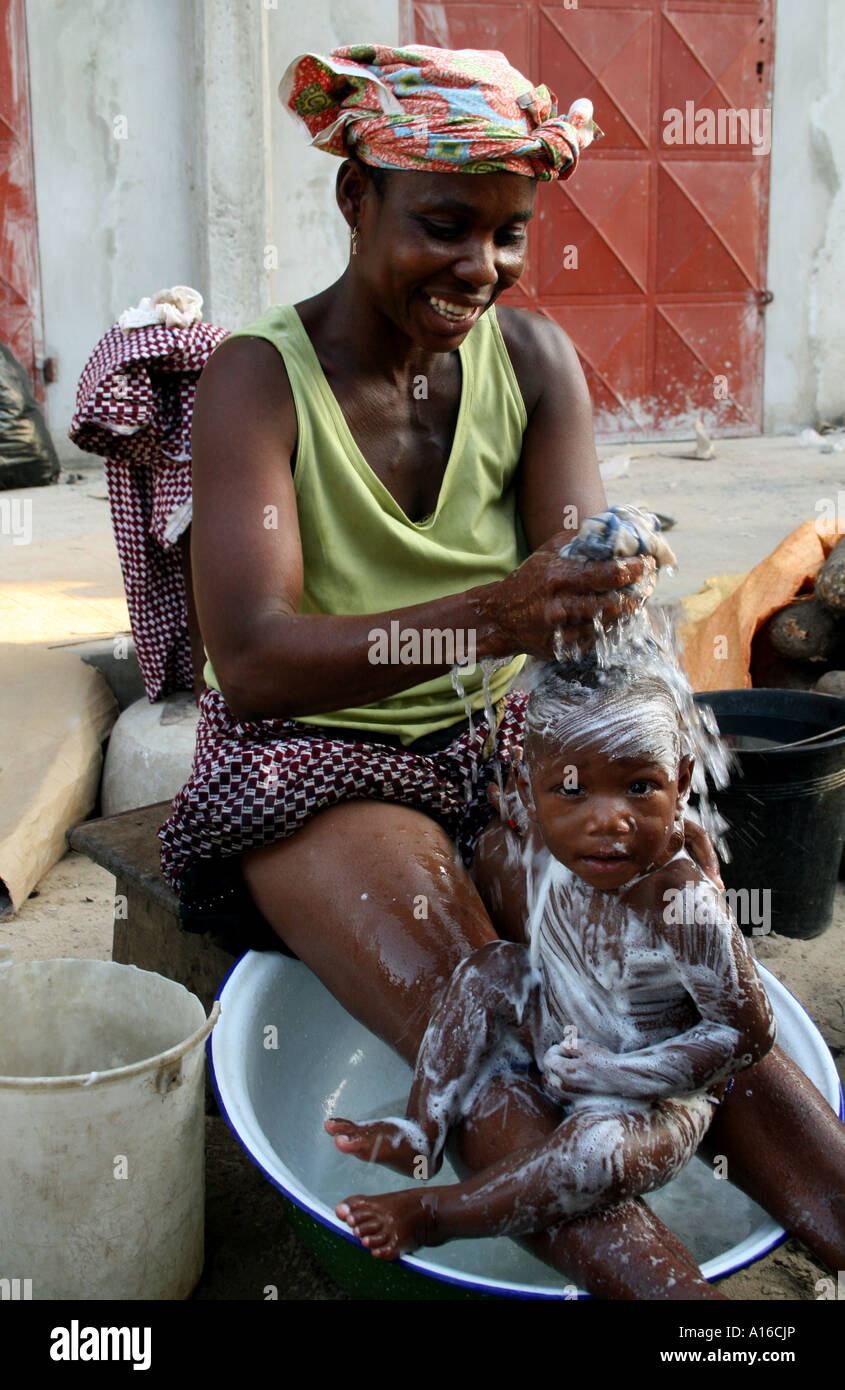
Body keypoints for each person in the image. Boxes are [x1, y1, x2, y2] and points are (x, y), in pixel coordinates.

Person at [158, 43, 845, 1299]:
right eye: (442, 224)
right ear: (352, 198)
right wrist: (496, 613)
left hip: (506, 749)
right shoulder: (255, 383)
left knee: (685, 982)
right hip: (314, 756)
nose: (479, 266)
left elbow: (575, 623)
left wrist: (644, 763)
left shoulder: (529, 365)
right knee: (478, 1023)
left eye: (509, 232)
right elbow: (253, 661)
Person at [326, 657, 776, 1271]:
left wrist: (618, 1074)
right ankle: (419, 1131)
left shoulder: (682, 905)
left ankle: (439, 1214)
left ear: (683, 778)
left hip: (657, 1100)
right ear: (531, 792)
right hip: (562, 1029)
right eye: (570, 790)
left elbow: (747, 1033)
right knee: (489, 969)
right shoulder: (548, 834)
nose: (607, 819)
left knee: (598, 1153)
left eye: (642, 787)